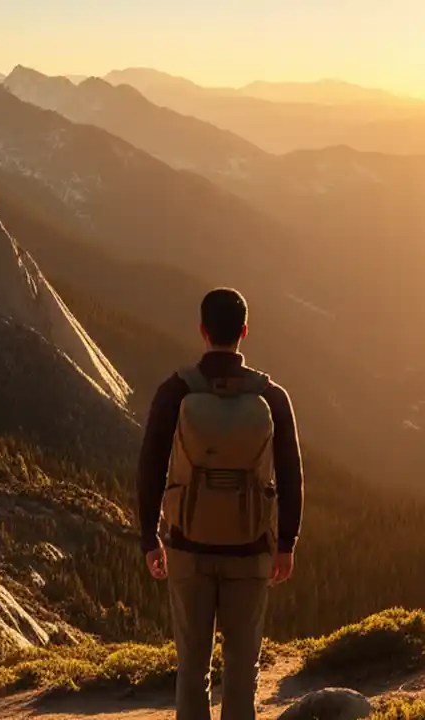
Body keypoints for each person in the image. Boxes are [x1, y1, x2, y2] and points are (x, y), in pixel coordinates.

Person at [136, 288, 304, 720]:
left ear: (203, 330)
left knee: (192, 670)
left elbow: (151, 466)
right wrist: (286, 543)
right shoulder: (273, 397)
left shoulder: (175, 390)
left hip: (187, 548)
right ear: (244, 332)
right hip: (250, 553)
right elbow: (289, 473)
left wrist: (149, 539)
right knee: (242, 669)